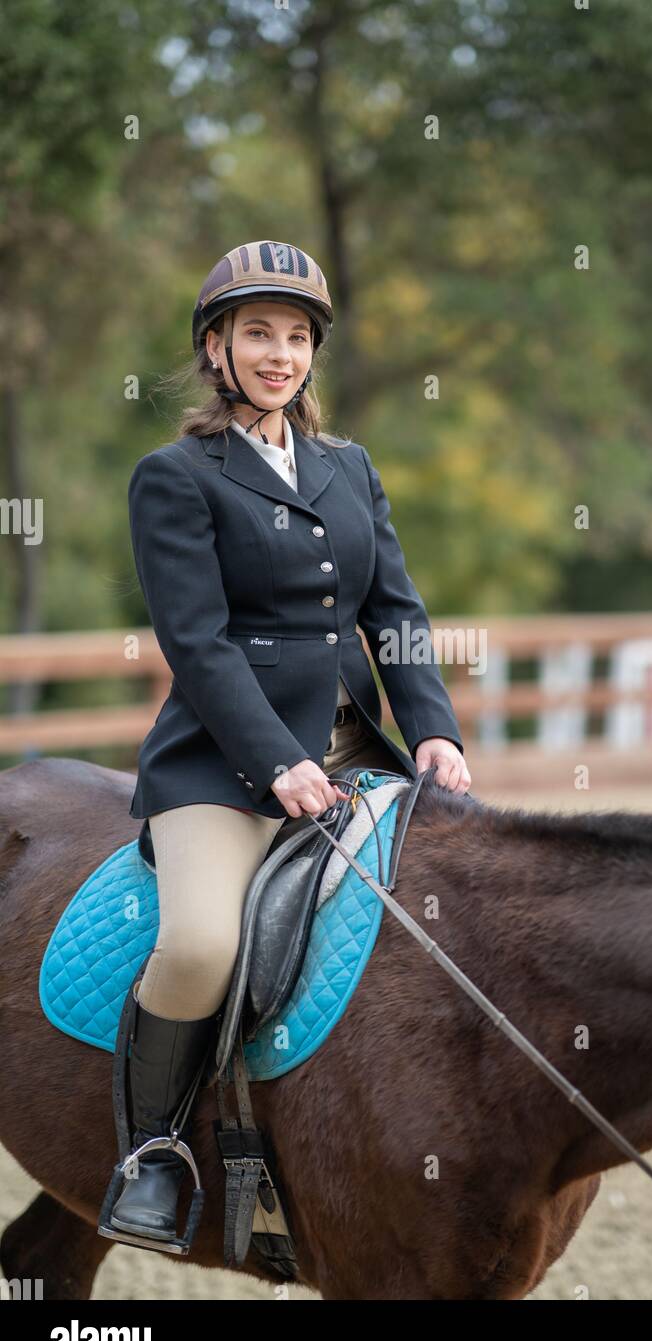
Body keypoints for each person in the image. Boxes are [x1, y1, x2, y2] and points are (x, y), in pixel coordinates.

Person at [102, 240, 471, 1251]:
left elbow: (394, 611)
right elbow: (198, 642)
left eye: (296, 336)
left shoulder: (349, 468)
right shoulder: (175, 477)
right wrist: (275, 760)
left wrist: (431, 730)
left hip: (358, 752)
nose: (278, 352)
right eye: (257, 333)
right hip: (223, 765)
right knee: (199, 945)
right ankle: (154, 1153)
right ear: (215, 348)